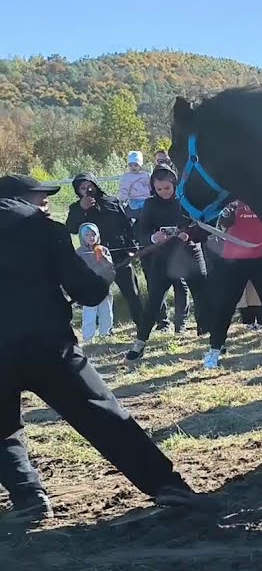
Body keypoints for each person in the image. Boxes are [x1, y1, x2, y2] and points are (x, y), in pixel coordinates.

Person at [0, 174, 209, 525]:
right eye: (41, 196)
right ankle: (166, 485)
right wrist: (103, 275)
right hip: (50, 346)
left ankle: (28, 497)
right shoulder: (43, 229)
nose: (47, 202)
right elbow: (87, 293)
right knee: (104, 416)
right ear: (23, 198)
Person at [127, 164, 210, 361]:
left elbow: (204, 228)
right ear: (153, 188)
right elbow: (141, 233)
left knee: (202, 295)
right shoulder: (150, 204)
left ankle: (210, 339)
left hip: (189, 253)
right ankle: (140, 343)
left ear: (175, 184)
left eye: (167, 188)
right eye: (159, 189)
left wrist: (188, 233)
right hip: (162, 257)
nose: (164, 192)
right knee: (154, 299)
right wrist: (154, 238)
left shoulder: (187, 201)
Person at [202, 201, 262, 369]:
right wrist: (226, 216)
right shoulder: (231, 199)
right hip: (234, 258)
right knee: (224, 306)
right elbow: (218, 226)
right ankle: (215, 348)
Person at [65, 172, 145, 327]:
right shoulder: (76, 208)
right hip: (94, 259)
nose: (88, 190)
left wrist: (131, 247)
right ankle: (98, 327)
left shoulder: (111, 201)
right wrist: (82, 209)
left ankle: (142, 324)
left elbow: (126, 225)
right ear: (77, 190)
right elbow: (71, 228)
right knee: (96, 294)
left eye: (90, 186)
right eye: (83, 188)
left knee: (132, 293)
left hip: (119, 253)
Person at [76, 223, 115, 343]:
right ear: (82, 237)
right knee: (89, 314)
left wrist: (102, 257)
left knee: (106, 312)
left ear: (97, 235)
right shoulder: (79, 252)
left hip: (103, 286)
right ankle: (88, 338)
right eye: (87, 235)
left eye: (93, 234)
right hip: (88, 288)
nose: (91, 237)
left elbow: (110, 266)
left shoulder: (103, 249)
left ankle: (105, 335)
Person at [119, 150, 152, 219]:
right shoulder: (127, 177)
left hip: (146, 198)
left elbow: (149, 185)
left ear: (140, 165)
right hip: (135, 199)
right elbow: (124, 188)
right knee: (141, 213)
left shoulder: (145, 175)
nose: (133, 167)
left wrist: (152, 193)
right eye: (130, 165)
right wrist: (123, 199)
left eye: (136, 165)